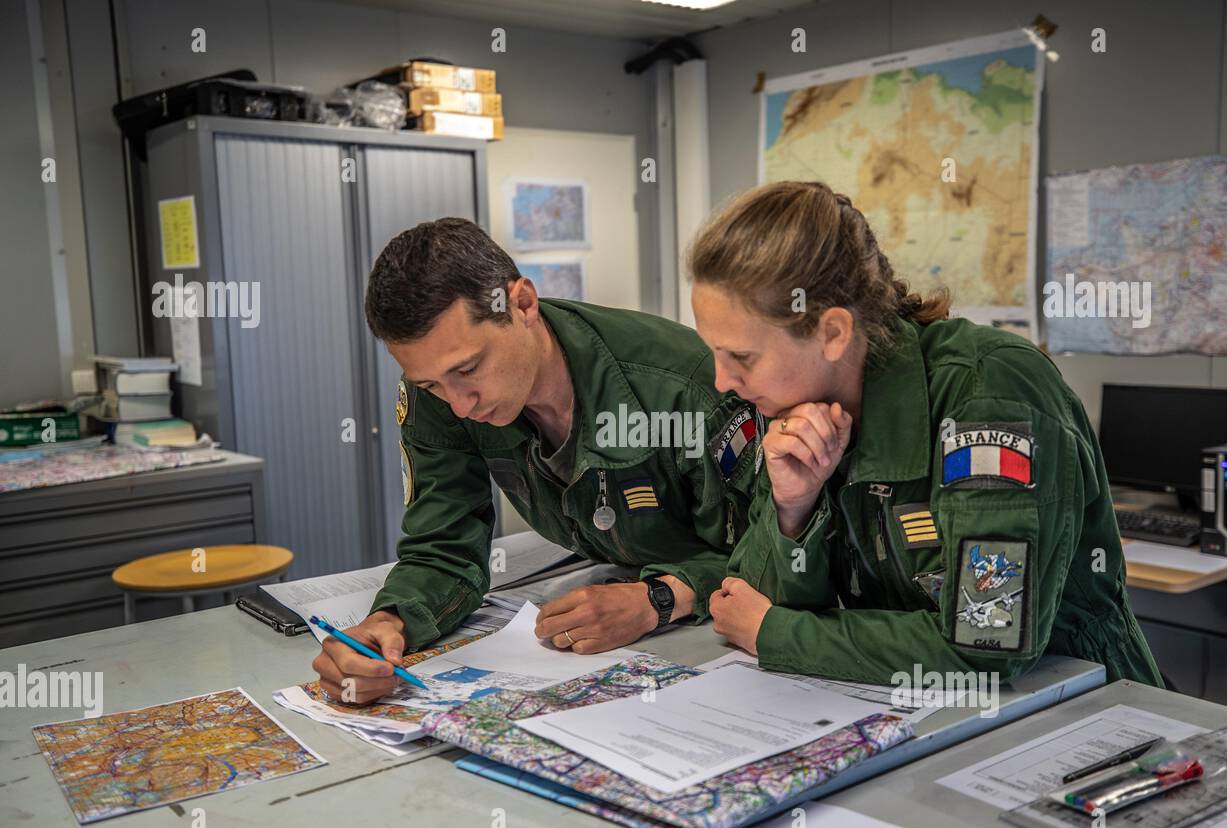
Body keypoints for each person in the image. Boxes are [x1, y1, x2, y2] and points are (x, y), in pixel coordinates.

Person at [694, 181, 1163, 686]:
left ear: (832, 333)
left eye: (741, 357)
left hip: (1079, 705)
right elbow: (741, 604)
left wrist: (778, 636)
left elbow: (988, 641)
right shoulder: (798, 411)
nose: (724, 382)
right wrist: (793, 508)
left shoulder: (989, 396)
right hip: (910, 707)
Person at [311, 217, 759, 704]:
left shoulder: (682, 385)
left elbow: (773, 550)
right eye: (431, 385)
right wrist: (390, 621)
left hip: (719, 645)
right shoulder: (441, 394)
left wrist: (662, 599)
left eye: (468, 369)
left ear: (522, 303)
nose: (459, 405)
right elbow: (444, 546)